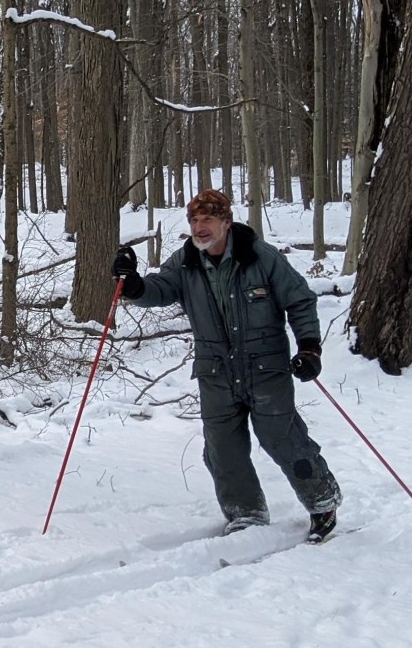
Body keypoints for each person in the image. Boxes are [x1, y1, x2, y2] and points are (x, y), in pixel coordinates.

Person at [112, 189, 342, 542]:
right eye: (194, 220)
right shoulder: (185, 261)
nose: (200, 227)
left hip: (266, 368)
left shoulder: (261, 257)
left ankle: (322, 500)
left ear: (226, 222)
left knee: (282, 439)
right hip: (215, 371)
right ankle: (244, 514)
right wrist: (132, 284)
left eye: (208, 219)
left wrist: (310, 348)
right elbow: (159, 289)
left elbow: (299, 300)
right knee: (222, 448)